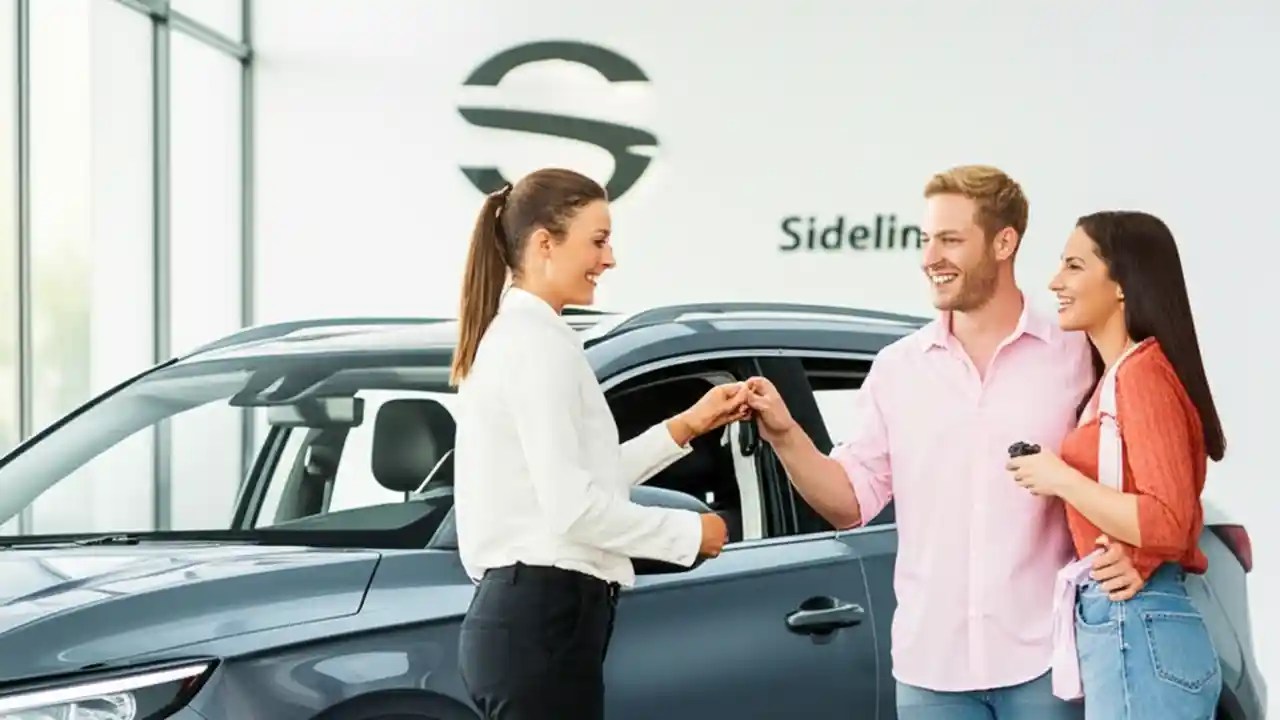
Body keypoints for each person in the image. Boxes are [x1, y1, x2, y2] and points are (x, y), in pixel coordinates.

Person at [742, 165, 1146, 720]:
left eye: (951, 240)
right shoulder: (896, 371)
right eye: (925, 239)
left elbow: (1146, 475)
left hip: (1051, 665)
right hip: (931, 675)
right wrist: (787, 437)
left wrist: (1140, 554)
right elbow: (849, 504)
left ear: (1005, 242)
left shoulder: (1078, 357)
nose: (930, 257)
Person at [449, 167, 747, 720]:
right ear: (544, 243)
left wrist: (685, 426)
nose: (609, 259)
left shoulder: (525, 337)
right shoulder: (537, 345)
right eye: (599, 240)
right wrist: (689, 532)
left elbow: (586, 476)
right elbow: (573, 510)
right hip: (544, 620)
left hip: (533, 622)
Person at [1006, 210, 1225, 719]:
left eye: (1074, 266)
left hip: (1137, 621)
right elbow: (1178, 507)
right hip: (1128, 621)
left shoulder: (1141, 376)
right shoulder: (1116, 378)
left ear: (1122, 283)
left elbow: (1167, 521)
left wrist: (1061, 479)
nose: (1055, 281)